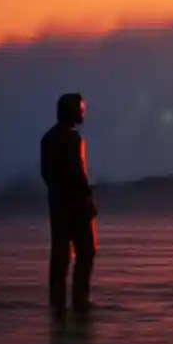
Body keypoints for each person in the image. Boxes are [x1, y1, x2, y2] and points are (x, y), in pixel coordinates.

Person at [41, 93, 98, 320]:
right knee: (86, 252)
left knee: (60, 255)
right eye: (80, 109)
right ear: (71, 111)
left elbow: (45, 173)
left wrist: (58, 193)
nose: (83, 113)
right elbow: (78, 173)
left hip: (57, 205)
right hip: (75, 205)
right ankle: (80, 300)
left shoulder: (48, 138)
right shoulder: (73, 139)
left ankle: (57, 304)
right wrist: (87, 197)